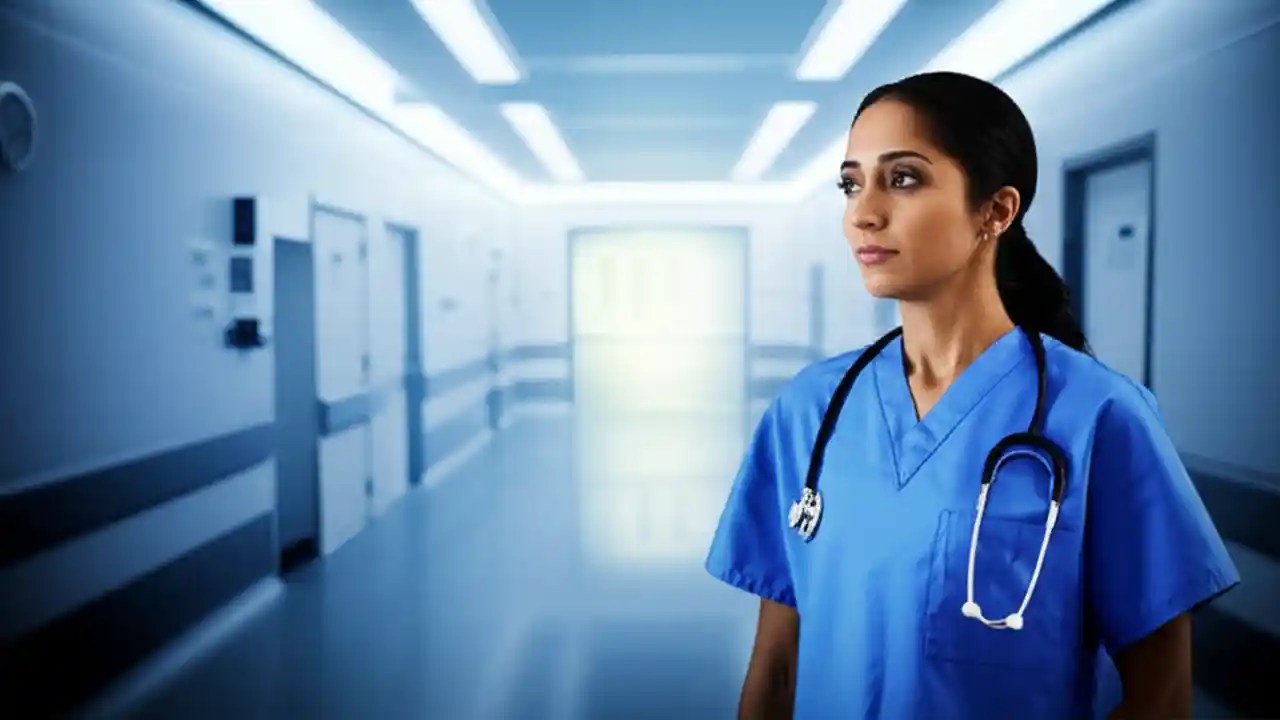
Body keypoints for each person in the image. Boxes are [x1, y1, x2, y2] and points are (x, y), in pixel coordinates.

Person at [704, 71, 1239, 719]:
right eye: (851, 183)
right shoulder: (811, 410)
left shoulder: (1100, 415)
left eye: (902, 178)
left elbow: (1161, 695)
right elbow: (777, 667)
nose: (863, 212)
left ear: (996, 210)